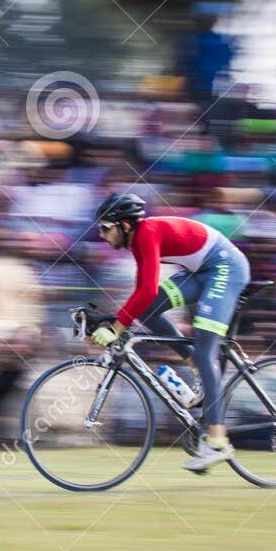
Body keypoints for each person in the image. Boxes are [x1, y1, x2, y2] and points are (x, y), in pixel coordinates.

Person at [89, 192, 250, 473]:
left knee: (205, 351)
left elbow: (147, 289)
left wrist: (117, 328)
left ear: (125, 225)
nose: (101, 235)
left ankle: (217, 441)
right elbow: (143, 295)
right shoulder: (138, 241)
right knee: (149, 309)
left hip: (226, 268)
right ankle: (196, 368)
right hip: (204, 271)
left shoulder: (146, 233)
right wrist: (115, 321)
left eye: (105, 227)